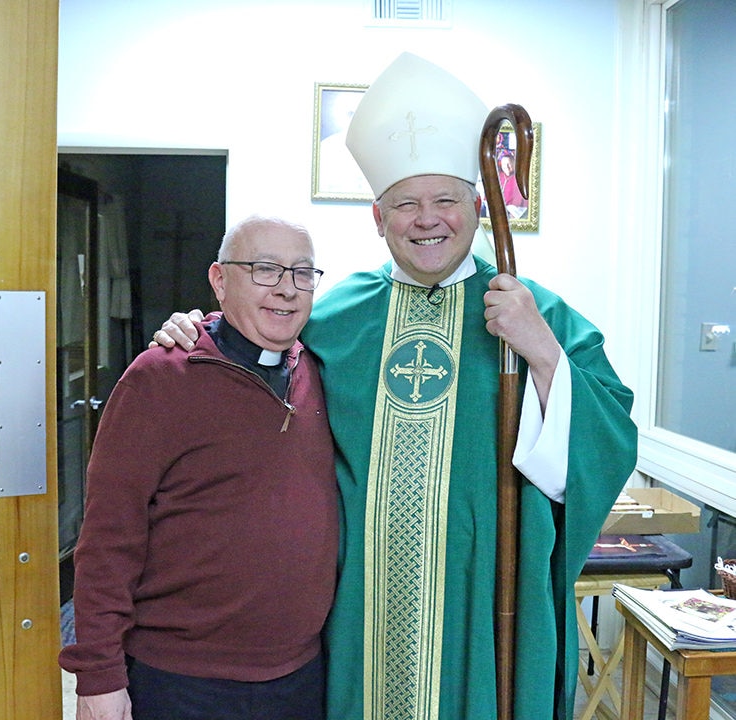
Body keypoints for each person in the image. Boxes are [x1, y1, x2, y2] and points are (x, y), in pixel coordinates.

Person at [153, 53, 637, 720]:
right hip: (359, 605)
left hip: (483, 603)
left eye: (444, 200)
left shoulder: (536, 312)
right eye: (406, 204)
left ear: (475, 206)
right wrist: (192, 328)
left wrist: (546, 357)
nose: (426, 218)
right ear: (378, 218)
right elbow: (252, 353)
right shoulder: (333, 316)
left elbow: (609, 439)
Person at [59, 216, 338, 720]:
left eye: (302, 272)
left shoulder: (320, 368)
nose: (287, 289)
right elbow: (107, 539)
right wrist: (97, 676)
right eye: (265, 269)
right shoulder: (160, 376)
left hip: (299, 677)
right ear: (219, 280)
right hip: (180, 679)